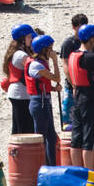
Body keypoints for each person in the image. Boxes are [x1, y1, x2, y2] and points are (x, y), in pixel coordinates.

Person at [67, 24, 94, 171]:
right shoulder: (91, 57)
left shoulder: (73, 55)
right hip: (90, 99)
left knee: (76, 139)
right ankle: (89, 174)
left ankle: (78, 174)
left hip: (77, 97)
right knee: (89, 139)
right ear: (92, 39)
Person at [26, 34, 61, 166]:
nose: (52, 51)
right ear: (43, 50)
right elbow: (56, 78)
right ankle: (42, 166)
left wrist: (52, 89)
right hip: (38, 103)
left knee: (51, 137)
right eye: (50, 49)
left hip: (43, 101)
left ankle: (51, 165)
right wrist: (55, 61)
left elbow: (43, 84)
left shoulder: (40, 64)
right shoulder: (36, 65)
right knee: (41, 137)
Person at [3, 24, 35, 135]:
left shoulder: (16, 52)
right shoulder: (22, 55)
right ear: (22, 39)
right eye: (29, 37)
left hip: (17, 93)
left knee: (17, 127)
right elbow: (33, 71)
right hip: (21, 94)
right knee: (24, 129)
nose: (31, 40)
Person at [59, 13, 87, 130]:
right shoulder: (68, 43)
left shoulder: (89, 41)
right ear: (74, 27)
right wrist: (73, 83)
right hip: (72, 84)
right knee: (68, 118)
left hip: (86, 83)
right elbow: (65, 65)